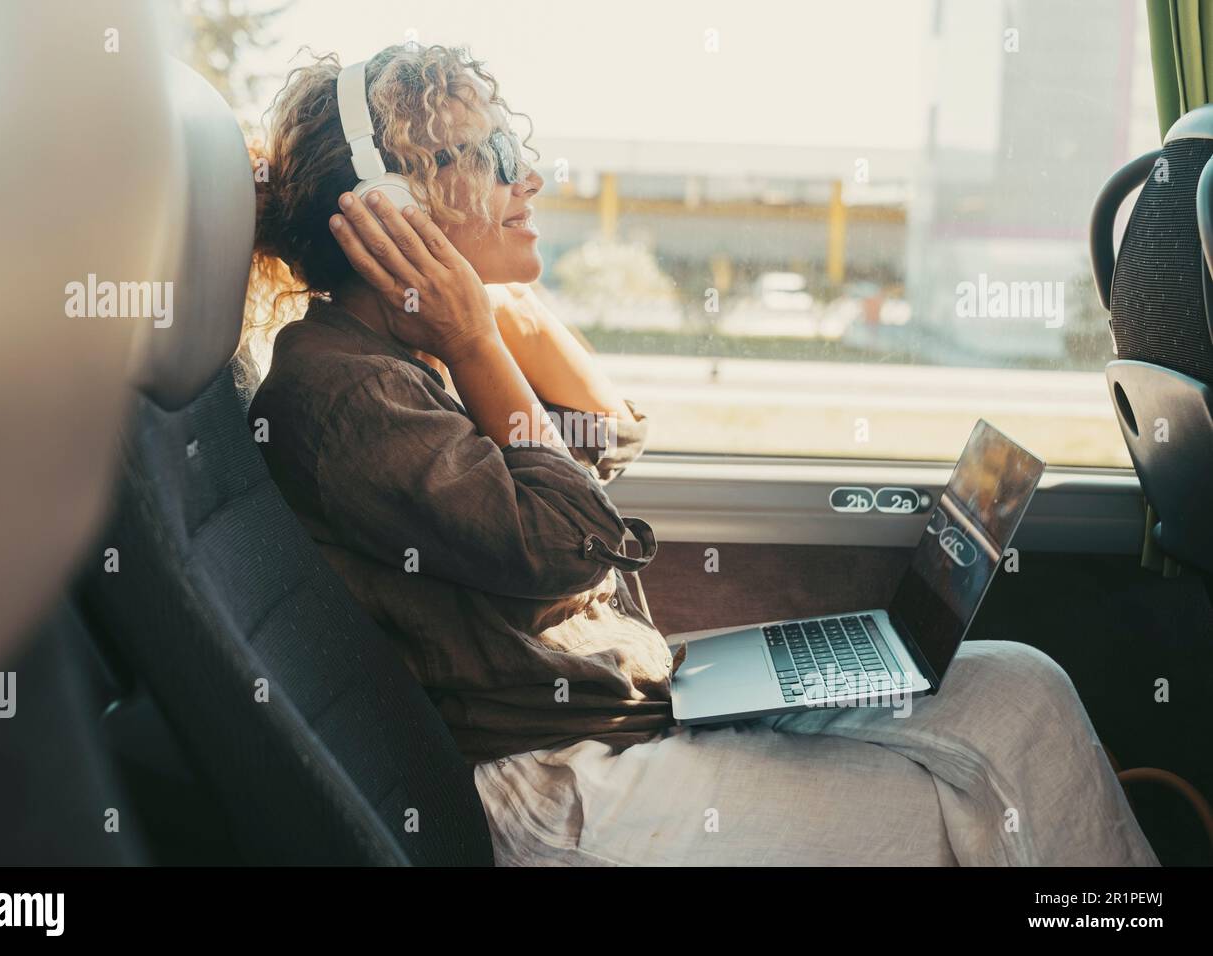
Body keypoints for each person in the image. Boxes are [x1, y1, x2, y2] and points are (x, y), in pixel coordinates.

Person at [245, 44, 1157, 866]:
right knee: (962, 819)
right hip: (561, 784)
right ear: (397, 210)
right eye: (494, 159)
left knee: (1020, 689)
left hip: (622, 712)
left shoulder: (414, 350)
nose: (530, 179)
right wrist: (479, 341)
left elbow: (607, 437)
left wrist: (494, 315)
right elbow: (570, 539)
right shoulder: (352, 393)